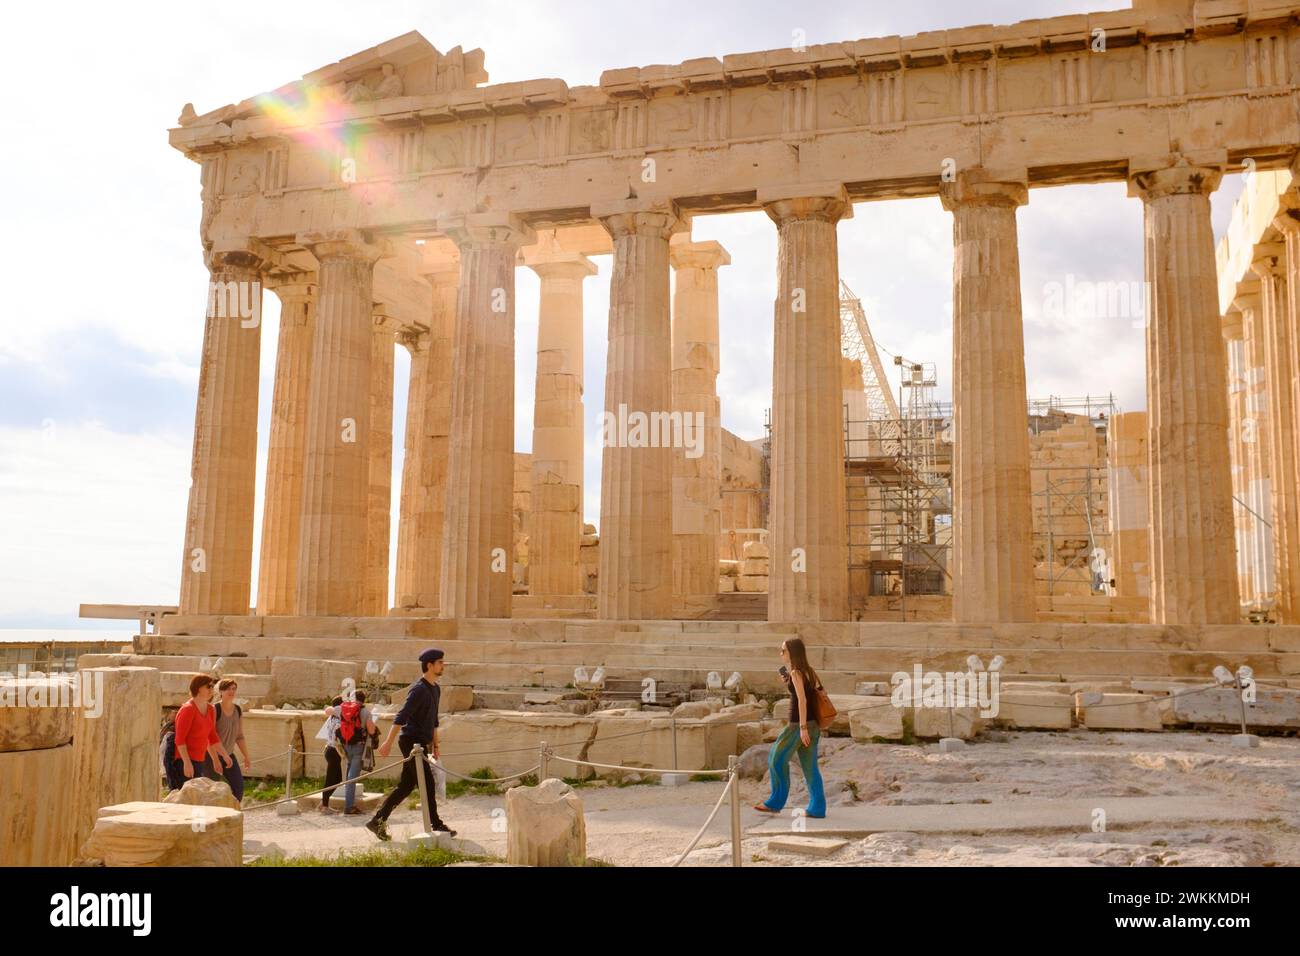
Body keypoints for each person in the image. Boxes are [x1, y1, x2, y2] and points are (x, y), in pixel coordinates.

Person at [367, 648, 454, 841]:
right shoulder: (418, 689)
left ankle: (377, 821)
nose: (443, 665)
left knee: (406, 786)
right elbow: (401, 716)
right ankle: (436, 823)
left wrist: (436, 745)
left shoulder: (435, 688)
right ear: (429, 665)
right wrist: (388, 743)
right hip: (410, 742)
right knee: (428, 783)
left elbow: (434, 721)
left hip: (422, 742)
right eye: (440, 662)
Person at [753, 638, 826, 819]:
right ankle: (818, 808)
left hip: (797, 726)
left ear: (792, 652)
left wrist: (802, 728)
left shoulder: (796, 673)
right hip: (813, 725)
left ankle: (775, 803)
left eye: (783, 650)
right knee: (810, 768)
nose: (781, 653)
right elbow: (819, 693)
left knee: (775, 759)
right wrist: (788, 683)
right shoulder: (809, 672)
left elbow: (802, 700)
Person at [173, 674, 229, 785]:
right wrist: (187, 762)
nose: (211, 689)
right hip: (183, 761)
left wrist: (224, 755)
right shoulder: (188, 709)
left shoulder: (211, 709)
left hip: (199, 760)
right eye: (208, 686)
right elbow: (179, 740)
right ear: (198, 688)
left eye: (213, 687)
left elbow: (212, 736)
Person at [336, 690, 378, 815]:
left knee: (349, 773)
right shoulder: (365, 712)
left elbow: (328, 711)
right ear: (364, 699)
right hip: (358, 747)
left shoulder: (343, 709)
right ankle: (349, 807)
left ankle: (349, 802)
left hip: (346, 744)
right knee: (352, 778)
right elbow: (371, 730)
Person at [212, 678, 251, 802]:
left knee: (238, 788)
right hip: (212, 756)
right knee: (210, 791)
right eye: (228, 688)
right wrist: (215, 760)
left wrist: (246, 756)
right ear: (221, 691)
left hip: (229, 754)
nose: (231, 691)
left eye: (234, 689)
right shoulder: (214, 709)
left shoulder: (238, 710)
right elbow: (210, 736)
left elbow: (239, 736)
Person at [317, 695, 344, 814]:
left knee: (337, 779)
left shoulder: (332, 718)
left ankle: (324, 802)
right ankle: (324, 806)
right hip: (333, 750)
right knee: (330, 779)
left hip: (331, 750)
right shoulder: (337, 720)